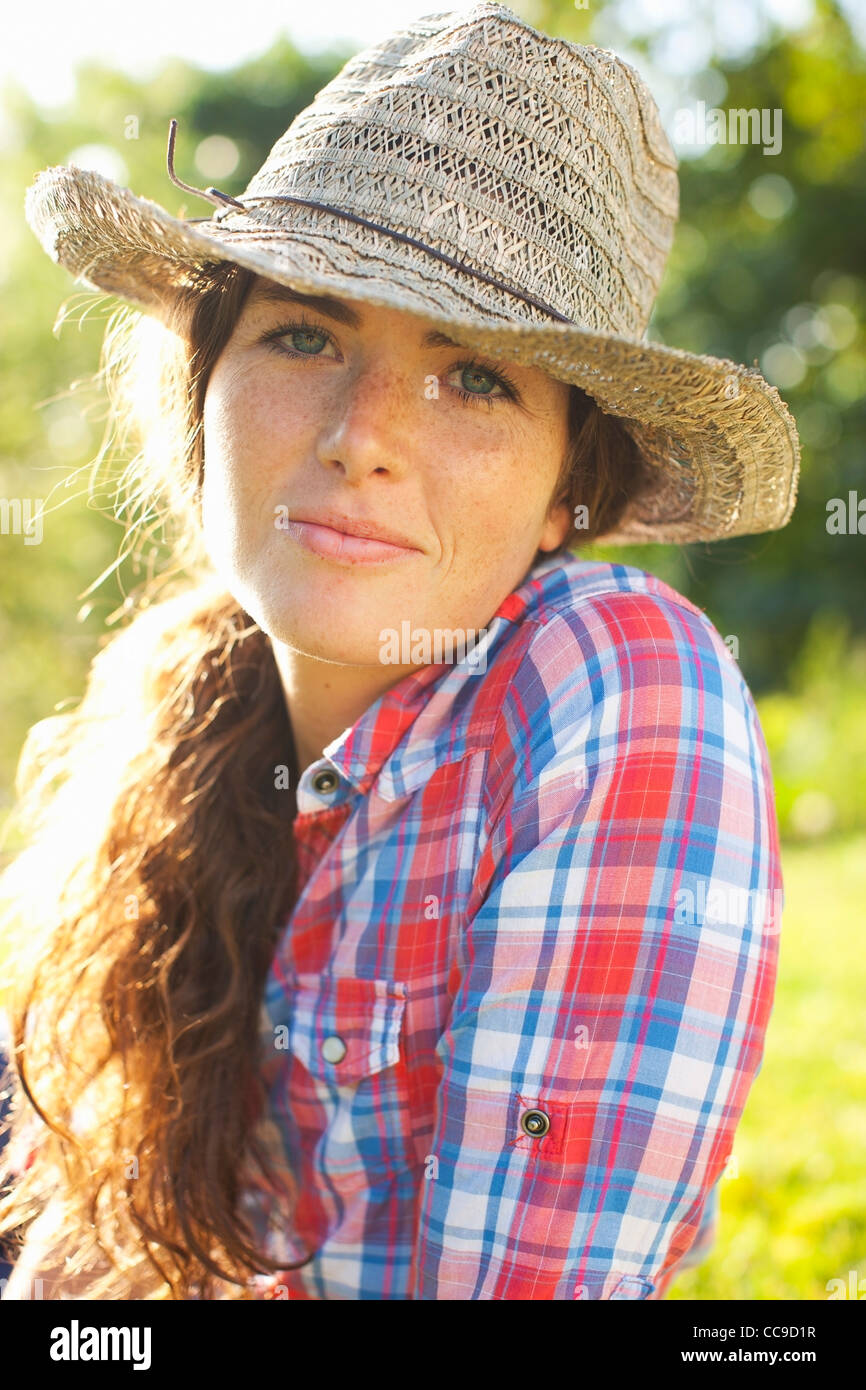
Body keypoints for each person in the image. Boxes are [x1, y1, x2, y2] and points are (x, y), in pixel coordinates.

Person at [0, 1, 798, 1300]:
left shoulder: (617, 680)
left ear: (565, 498)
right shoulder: (142, 732)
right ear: (202, 395)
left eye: (475, 375)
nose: (361, 432)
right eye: (303, 334)